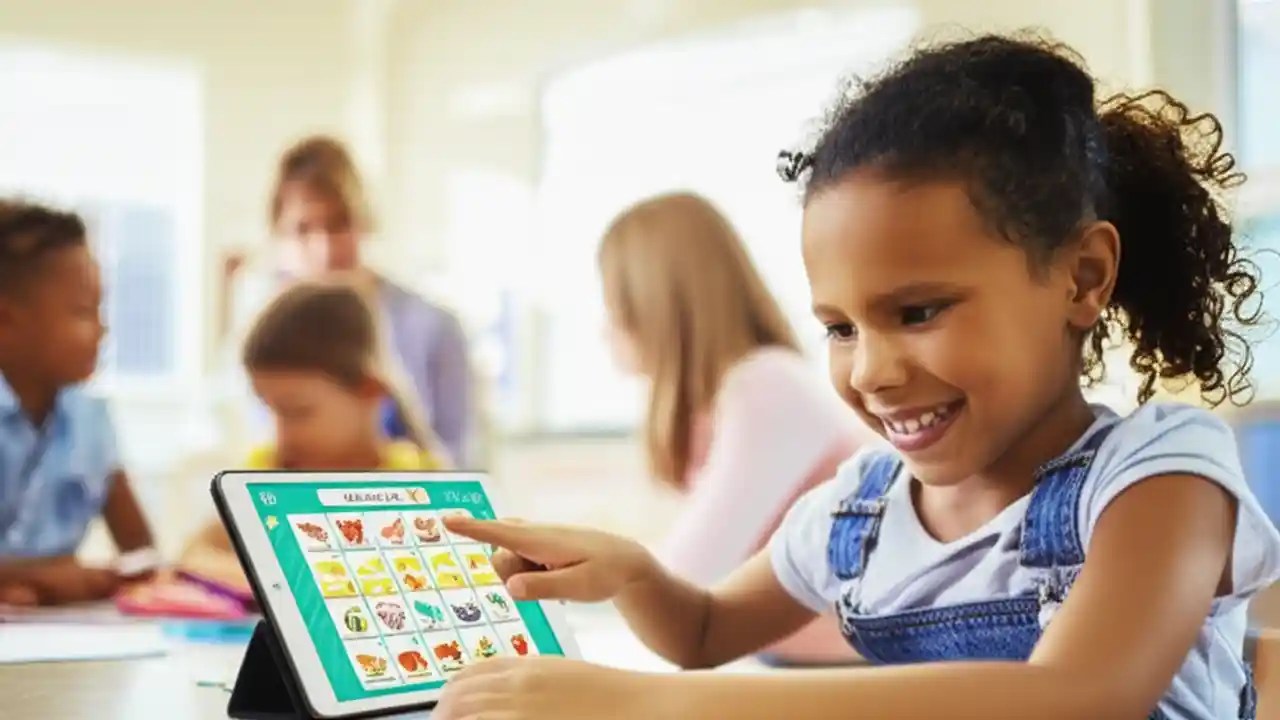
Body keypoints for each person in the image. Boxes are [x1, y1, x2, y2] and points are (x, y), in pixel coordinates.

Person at [432, 35, 1280, 720]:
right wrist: (635, 575)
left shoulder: (1159, 478)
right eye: (840, 328)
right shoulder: (858, 513)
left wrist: (651, 705)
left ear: (1082, 277)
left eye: (919, 312)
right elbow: (702, 631)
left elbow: (1075, 698)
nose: (871, 371)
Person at [598, 192, 866, 664]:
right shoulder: (735, 396)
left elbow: (686, 579)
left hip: (854, 665)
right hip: (807, 661)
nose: (605, 327)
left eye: (611, 300)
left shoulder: (766, 387)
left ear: (650, 303)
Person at [181, 279, 449, 590]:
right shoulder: (268, 473)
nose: (281, 435)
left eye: (298, 412)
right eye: (269, 410)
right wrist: (281, 585)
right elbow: (195, 554)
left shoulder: (419, 480)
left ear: (368, 391)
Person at [223, 136, 474, 464]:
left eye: (339, 224)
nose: (325, 248)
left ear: (364, 222)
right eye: (303, 229)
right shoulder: (268, 341)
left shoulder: (433, 327)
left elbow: (458, 463)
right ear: (279, 237)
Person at [0, 200, 156, 605]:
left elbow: (142, 551)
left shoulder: (91, 421)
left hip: (62, 630)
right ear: (6, 321)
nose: (102, 331)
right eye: (83, 312)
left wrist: (106, 577)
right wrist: (44, 578)